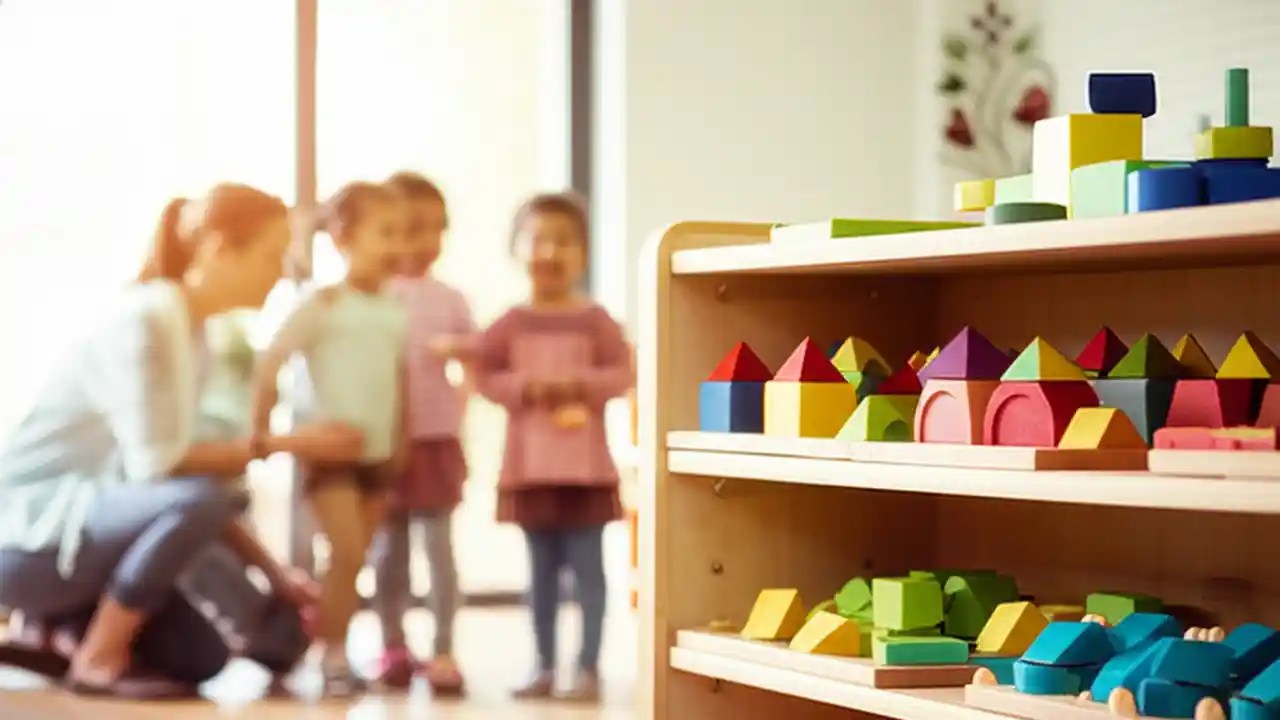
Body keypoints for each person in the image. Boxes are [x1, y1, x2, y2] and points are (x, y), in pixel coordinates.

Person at [0, 185, 364, 696]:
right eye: (271, 255)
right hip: (32, 538)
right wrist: (295, 444)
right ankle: (97, 653)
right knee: (207, 496)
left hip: (87, 537)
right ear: (218, 249)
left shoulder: (194, 332)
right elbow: (163, 469)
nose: (283, 272)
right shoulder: (150, 316)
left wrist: (276, 573)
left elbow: (184, 483)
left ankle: (53, 629)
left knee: (202, 657)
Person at [252, 181, 409, 696]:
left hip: (378, 456)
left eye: (401, 233)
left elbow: (398, 378)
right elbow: (270, 359)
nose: (396, 245)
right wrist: (261, 432)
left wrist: (402, 442)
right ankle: (332, 655)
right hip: (330, 458)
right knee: (346, 553)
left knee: (352, 560)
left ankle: (331, 650)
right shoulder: (322, 303)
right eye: (385, 232)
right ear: (344, 237)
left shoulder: (393, 308)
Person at [474, 192, 632, 702]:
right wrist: (526, 388)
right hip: (530, 470)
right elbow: (482, 372)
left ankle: (588, 668)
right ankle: (542, 666)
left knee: (589, 574)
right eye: (537, 239)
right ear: (516, 250)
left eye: (563, 241)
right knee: (540, 576)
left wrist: (580, 384)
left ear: (583, 253)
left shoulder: (595, 319)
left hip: (586, 471)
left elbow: (623, 372)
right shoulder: (510, 323)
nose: (549, 251)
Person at [371, 172, 475, 693]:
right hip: (384, 444)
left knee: (439, 552)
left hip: (436, 440)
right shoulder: (374, 296)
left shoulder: (451, 299)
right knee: (387, 553)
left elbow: (475, 357)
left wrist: (460, 400)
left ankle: (444, 649)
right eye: (412, 228)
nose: (426, 241)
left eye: (437, 228)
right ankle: (391, 645)